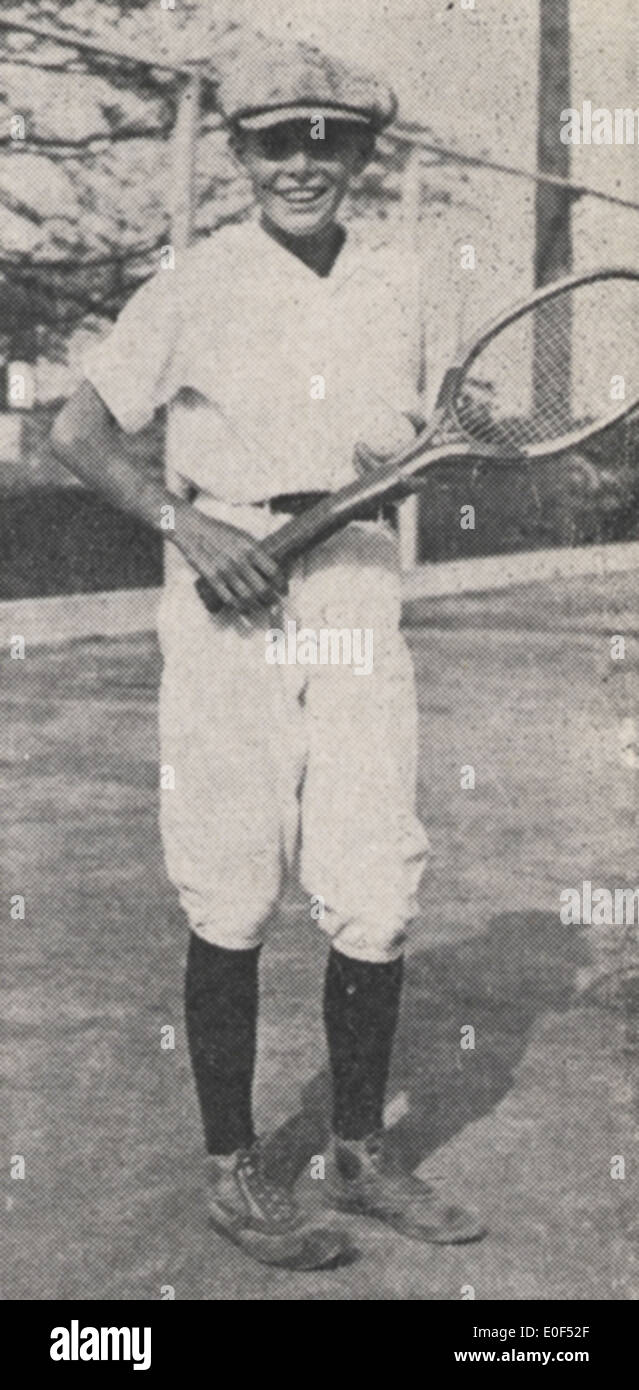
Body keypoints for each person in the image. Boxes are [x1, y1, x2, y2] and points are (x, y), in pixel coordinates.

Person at [52, 34, 483, 1270]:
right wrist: (191, 528)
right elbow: (79, 432)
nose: (304, 161)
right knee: (232, 885)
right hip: (224, 590)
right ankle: (234, 1172)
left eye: (328, 138)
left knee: (377, 881)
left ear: (360, 153)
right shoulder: (191, 282)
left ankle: (357, 1154)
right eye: (275, 138)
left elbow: (449, 423)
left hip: (352, 589)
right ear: (239, 152)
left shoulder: (405, 279)